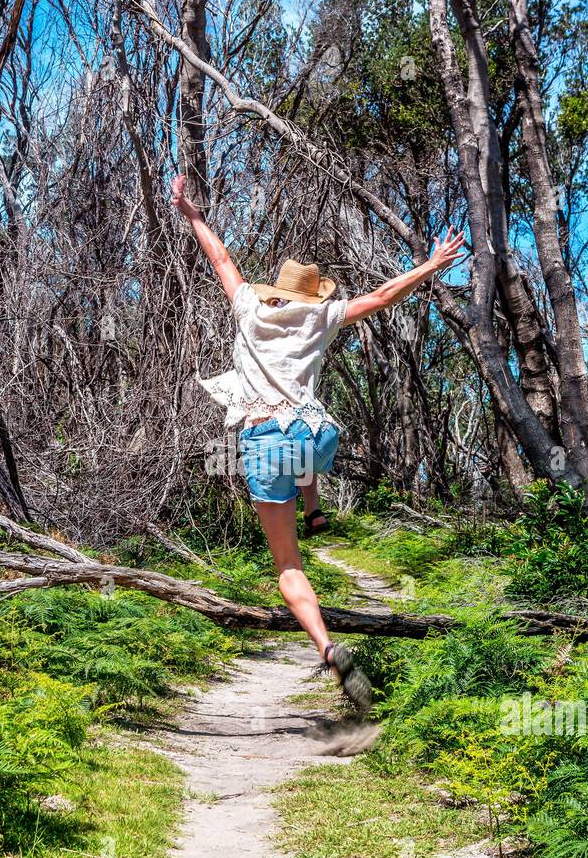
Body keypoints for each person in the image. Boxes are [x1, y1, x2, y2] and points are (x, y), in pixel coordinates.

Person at [172, 174, 465, 713]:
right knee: (305, 449)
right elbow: (382, 296)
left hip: (263, 438)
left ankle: (327, 648)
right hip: (316, 434)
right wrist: (434, 264)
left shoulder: (248, 308)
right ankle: (316, 509)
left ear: (275, 291)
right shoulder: (322, 316)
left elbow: (221, 260)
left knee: (287, 566)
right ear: (312, 293)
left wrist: (192, 213)